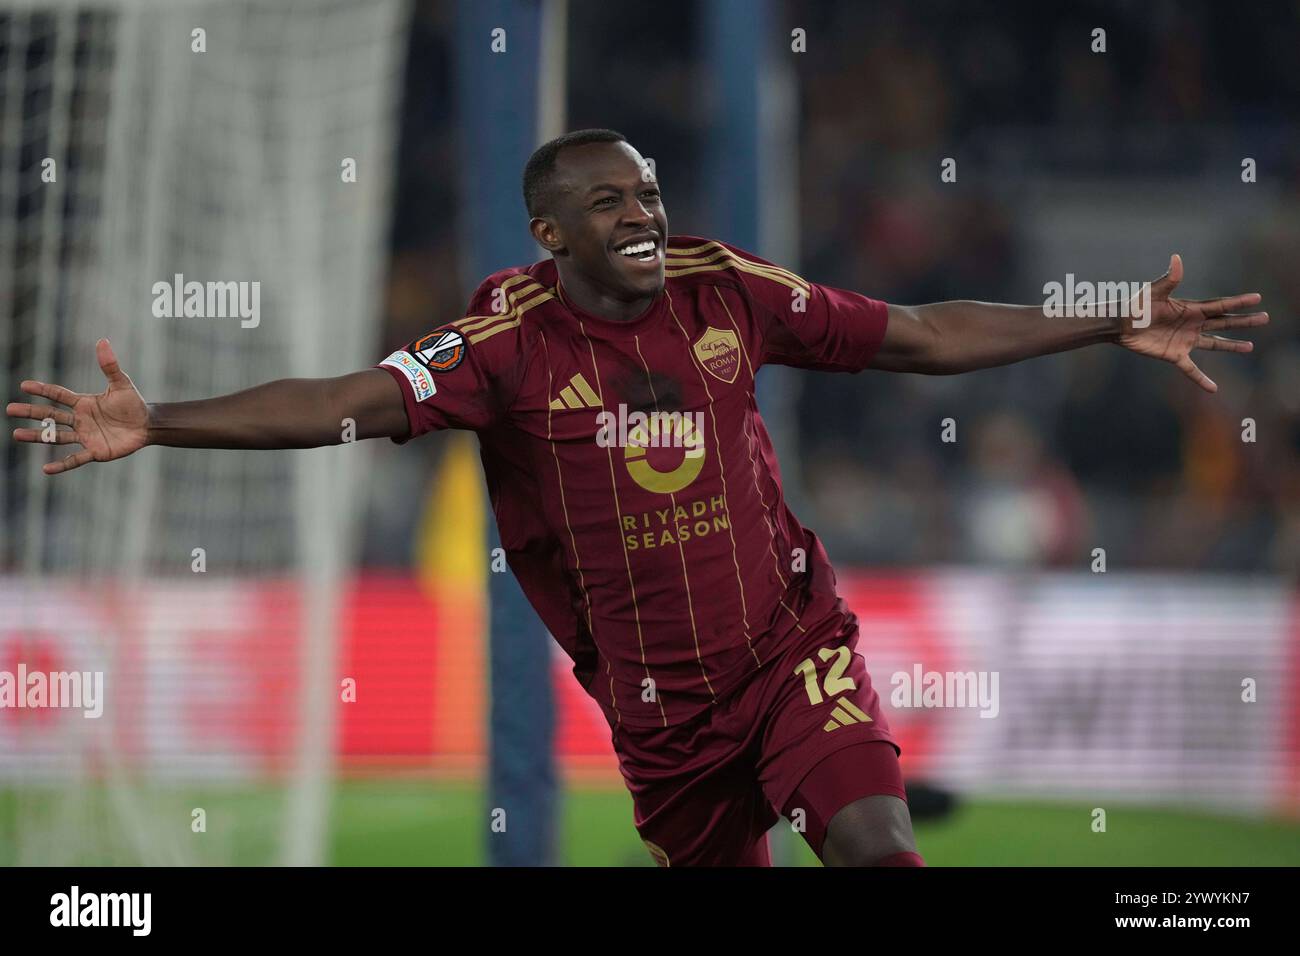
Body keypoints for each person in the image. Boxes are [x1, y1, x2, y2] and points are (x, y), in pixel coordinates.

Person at [7, 129, 1268, 866]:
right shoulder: (499, 343)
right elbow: (349, 401)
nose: (641, 213)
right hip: (660, 703)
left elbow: (924, 334)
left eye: (649, 193)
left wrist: (1106, 318)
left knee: (878, 843)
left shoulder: (728, 290)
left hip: (789, 645)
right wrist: (160, 418)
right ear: (551, 234)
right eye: (608, 201)